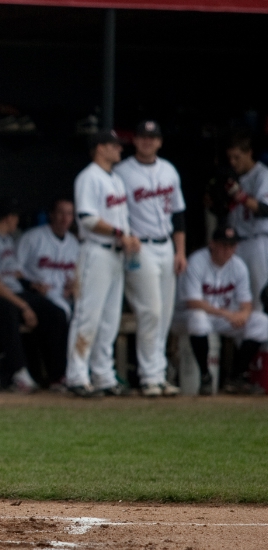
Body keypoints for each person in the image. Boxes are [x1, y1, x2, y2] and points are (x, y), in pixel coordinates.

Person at [65, 130, 140, 398]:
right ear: (100, 148)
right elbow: (86, 218)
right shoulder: (88, 177)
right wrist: (121, 235)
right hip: (95, 251)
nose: (120, 149)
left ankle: (103, 376)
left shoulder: (116, 179)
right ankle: (76, 376)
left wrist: (128, 239)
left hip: (116, 254)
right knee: (88, 315)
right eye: (114, 145)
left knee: (109, 320)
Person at [114, 120, 186, 397]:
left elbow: (178, 214)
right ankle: (149, 375)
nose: (147, 141)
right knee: (151, 311)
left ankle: (157, 373)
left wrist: (180, 251)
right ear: (135, 140)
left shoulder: (169, 170)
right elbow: (116, 212)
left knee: (164, 314)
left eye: (152, 137)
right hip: (138, 247)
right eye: (142, 137)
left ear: (159, 142)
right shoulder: (122, 172)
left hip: (165, 245)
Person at [0, 200, 66, 391]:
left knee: (55, 313)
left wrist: (32, 286)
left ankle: (57, 376)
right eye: (15, 217)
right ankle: (19, 374)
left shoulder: (7, 238)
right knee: (9, 310)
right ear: (8, 218)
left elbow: (13, 275)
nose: (17, 221)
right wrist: (24, 306)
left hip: (13, 292)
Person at [175, 225, 267, 395]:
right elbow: (193, 302)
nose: (228, 250)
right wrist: (229, 314)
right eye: (223, 245)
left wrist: (243, 315)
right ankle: (205, 376)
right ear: (212, 244)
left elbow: (246, 302)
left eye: (231, 246)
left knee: (262, 323)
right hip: (186, 317)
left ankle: (236, 377)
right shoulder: (197, 261)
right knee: (198, 319)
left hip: (221, 318)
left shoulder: (238, 265)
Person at [224, 135, 268, 312]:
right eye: (230, 158)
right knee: (236, 298)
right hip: (236, 242)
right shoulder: (234, 176)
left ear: (249, 153)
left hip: (256, 241)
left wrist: (240, 196)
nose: (233, 162)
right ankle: (244, 339)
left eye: (237, 157)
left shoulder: (262, 174)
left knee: (260, 296)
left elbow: (264, 209)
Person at [17, 198, 79, 319]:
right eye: (61, 213)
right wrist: (31, 285)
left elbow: (77, 275)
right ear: (51, 215)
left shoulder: (74, 243)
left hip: (65, 296)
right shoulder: (32, 237)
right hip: (37, 295)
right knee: (62, 313)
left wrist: (73, 286)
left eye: (69, 214)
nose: (65, 218)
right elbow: (13, 270)